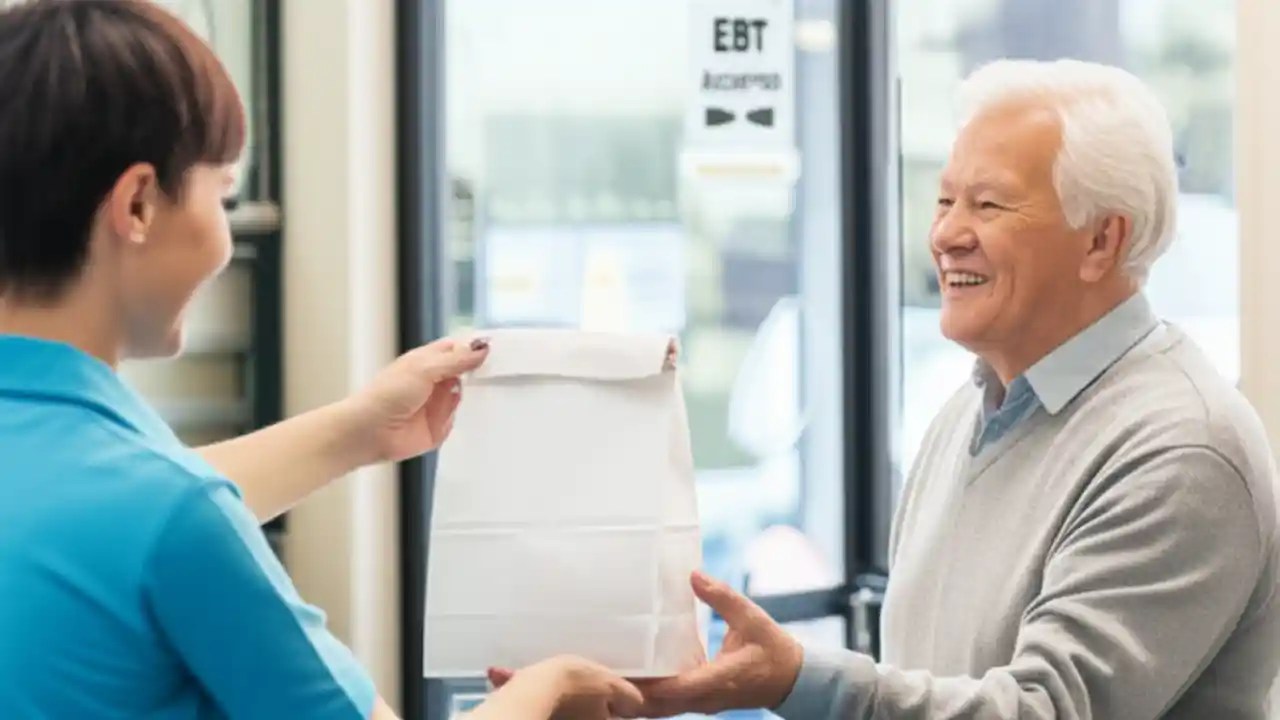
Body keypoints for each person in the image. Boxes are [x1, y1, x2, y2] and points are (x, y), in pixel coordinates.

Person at [572, 58, 1280, 718]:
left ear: (1102, 241)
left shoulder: (1184, 449)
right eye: (944, 200)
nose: (945, 234)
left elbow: (1041, 710)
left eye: (989, 205)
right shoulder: (971, 412)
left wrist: (797, 679)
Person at [0, 2, 641, 719]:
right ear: (140, 204)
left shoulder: (95, 488)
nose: (224, 235)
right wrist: (550, 690)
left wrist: (362, 430)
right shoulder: (167, 512)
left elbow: (104, 514)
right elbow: (158, 514)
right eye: (224, 193)